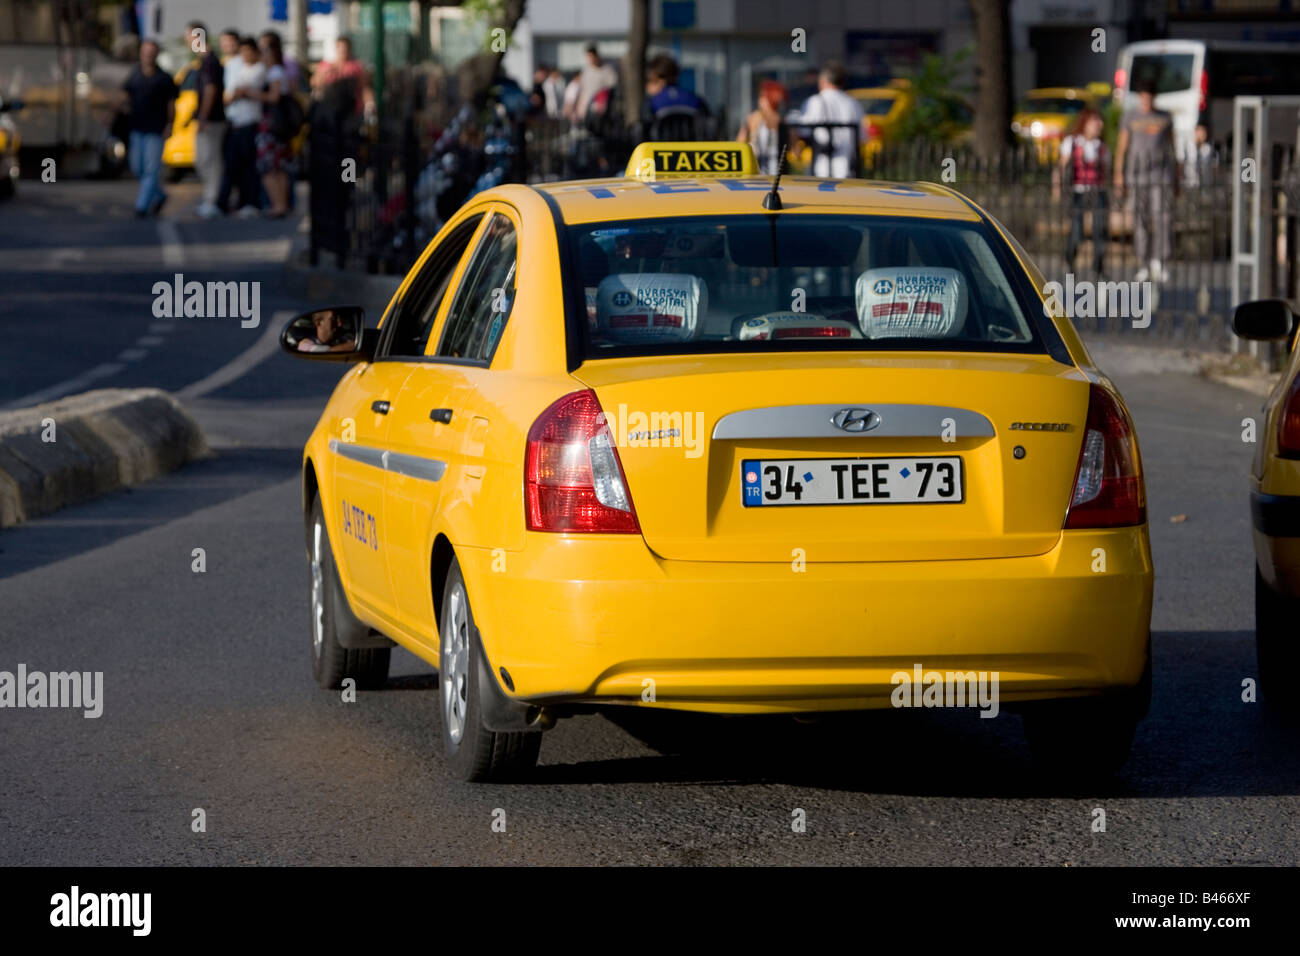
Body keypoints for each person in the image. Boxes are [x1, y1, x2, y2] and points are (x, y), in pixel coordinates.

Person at [1115, 77, 1178, 284]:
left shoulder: (1165, 118)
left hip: (1160, 175)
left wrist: (1177, 175)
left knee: (1163, 218)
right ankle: (1142, 262)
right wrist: (1118, 174)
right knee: (1140, 220)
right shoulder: (1130, 117)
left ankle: (1160, 261)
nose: (1146, 100)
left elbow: (1173, 148)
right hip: (1137, 175)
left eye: (1149, 96)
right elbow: (1122, 147)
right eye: (1143, 96)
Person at [120, 38, 177, 218]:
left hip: (156, 129)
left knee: (152, 169)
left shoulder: (164, 78)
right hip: (137, 127)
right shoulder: (135, 74)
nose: (148, 56)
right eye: (145, 52)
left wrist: (170, 125)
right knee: (138, 168)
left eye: (151, 53)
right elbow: (125, 95)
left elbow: (171, 105)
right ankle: (159, 195)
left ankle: (141, 206)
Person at [1053, 108, 1111, 277]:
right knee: (1077, 230)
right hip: (1077, 191)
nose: (1099, 125)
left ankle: (1097, 267)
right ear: (1085, 123)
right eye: (1095, 121)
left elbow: (1106, 173)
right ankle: (1070, 259)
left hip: (1097, 190)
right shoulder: (1072, 143)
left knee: (1100, 229)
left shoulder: (1102, 147)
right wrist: (1057, 188)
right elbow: (1061, 167)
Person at [794, 61, 864, 178]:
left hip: (821, 169)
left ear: (823, 80)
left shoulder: (815, 101)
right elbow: (862, 137)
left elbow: (803, 131)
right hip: (849, 170)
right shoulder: (854, 103)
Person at [224, 36, 267, 217]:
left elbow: (241, 91)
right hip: (236, 122)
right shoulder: (239, 68)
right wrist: (237, 93)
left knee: (250, 166)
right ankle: (241, 200)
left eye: (249, 51)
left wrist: (239, 93)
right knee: (236, 165)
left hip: (251, 123)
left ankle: (252, 201)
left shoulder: (259, 69)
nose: (245, 55)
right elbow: (230, 94)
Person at [252, 32, 293, 218]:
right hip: (276, 125)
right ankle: (279, 204)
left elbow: (275, 96)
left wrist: (251, 94)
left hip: (273, 125)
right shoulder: (278, 71)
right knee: (277, 166)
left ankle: (279, 205)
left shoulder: (276, 72)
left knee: (271, 167)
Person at [187, 21, 225, 219]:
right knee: (202, 160)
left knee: (210, 160)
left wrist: (203, 116)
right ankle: (210, 198)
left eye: (190, 37)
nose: (188, 41)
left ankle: (213, 200)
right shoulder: (203, 62)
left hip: (212, 120)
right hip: (206, 119)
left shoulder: (210, 62)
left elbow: (211, 90)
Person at [644, 54, 708, 139]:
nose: (647, 87)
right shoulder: (695, 100)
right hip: (693, 150)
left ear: (660, 81)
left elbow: (642, 131)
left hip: (659, 151)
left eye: (650, 81)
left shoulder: (651, 103)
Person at [737, 79, 788, 175]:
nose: (759, 100)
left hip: (778, 175)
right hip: (757, 174)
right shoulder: (753, 119)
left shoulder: (781, 122)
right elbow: (739, 144)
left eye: (763, 96)